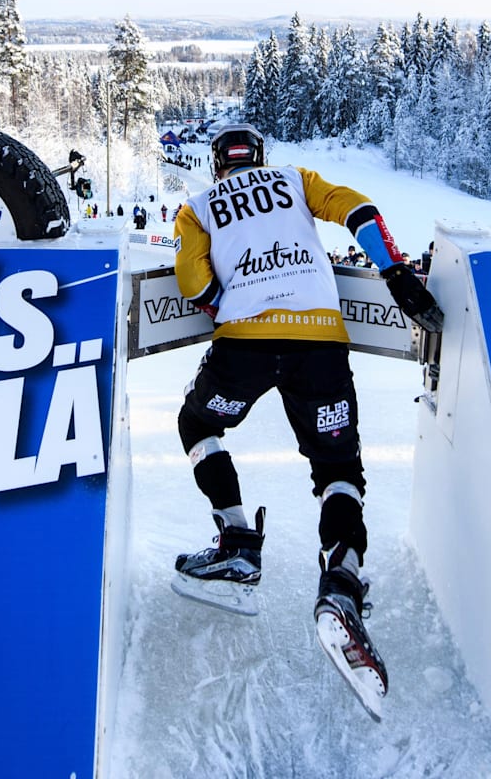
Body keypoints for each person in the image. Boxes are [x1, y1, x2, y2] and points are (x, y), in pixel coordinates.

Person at [169, 122, 443, 719]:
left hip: (242, 343)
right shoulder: (295, 179)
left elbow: (192, 281)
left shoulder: (195, 207)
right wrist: (393, 268)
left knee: (197, 426)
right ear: (260, 158)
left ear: (218, 164)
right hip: (320, 340)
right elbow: (356, 207)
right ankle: (342, 579)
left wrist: (226, 301)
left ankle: (237, 540)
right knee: (339, 469)